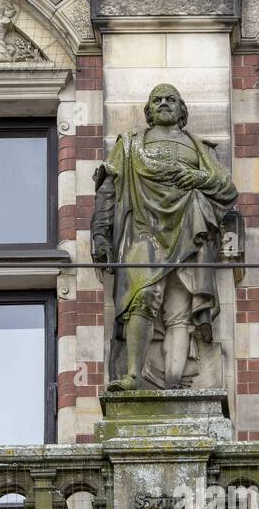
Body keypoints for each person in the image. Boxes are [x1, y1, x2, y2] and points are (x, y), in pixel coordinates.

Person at [91, 84, 237, 390]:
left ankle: (173, 386)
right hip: (142, 231)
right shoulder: (129, 146)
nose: (164, 103)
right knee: (141, 298)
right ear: (148, 111)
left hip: (189, 230)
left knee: (179, 311)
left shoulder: (200, 148)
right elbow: (107, 190)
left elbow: (227, 190)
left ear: (182, 109)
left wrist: (200, 177)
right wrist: (100, 234)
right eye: (157, 100)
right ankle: (133, 375)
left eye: (171, 99)